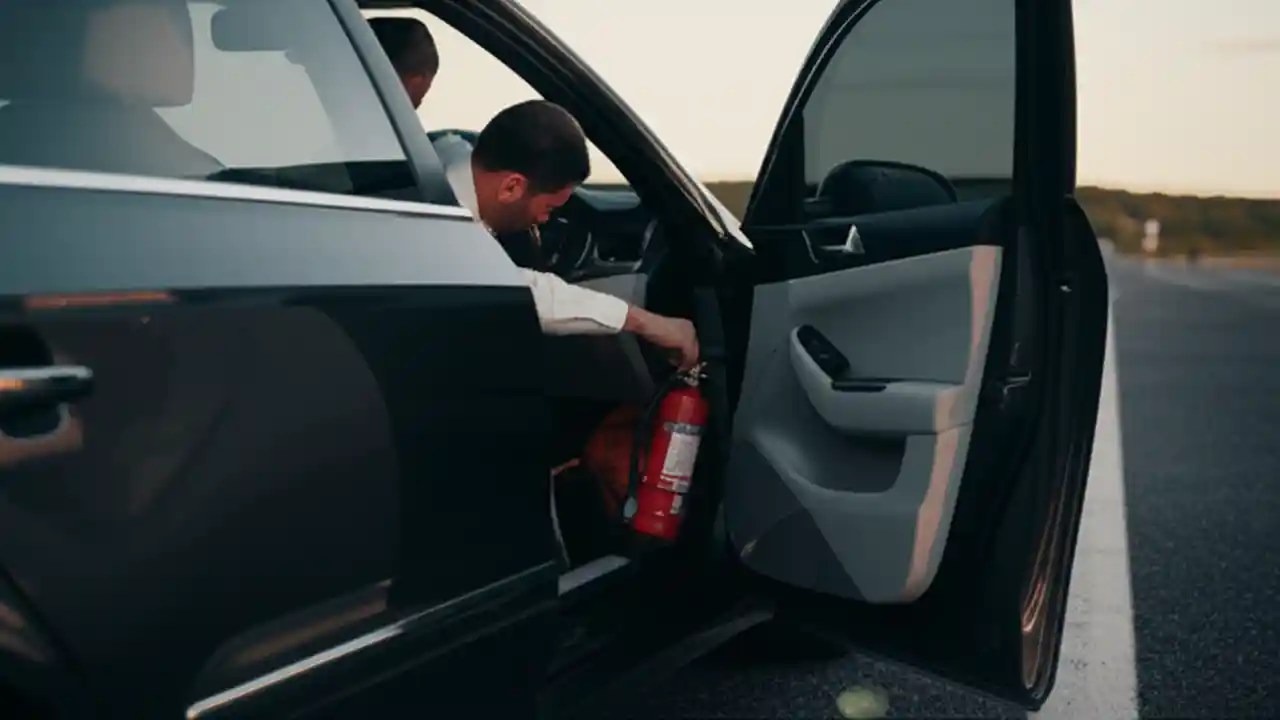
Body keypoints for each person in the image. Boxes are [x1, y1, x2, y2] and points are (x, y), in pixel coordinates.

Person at [370, 18, 698, 369]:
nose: (545, 220)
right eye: (548, 207)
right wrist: (646, 321)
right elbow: (517, 289)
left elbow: (451, 141)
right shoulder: (443, 218)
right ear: (512, 186)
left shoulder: (448, 155)